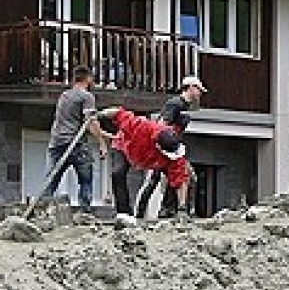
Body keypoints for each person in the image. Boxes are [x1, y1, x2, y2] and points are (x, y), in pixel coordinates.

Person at [112, 75, 205, 217]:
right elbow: (162, 124)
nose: (200, 93)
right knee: (154, 181)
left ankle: (169, 209)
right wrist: (165, 143)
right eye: (198, 90)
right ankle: (143, 213)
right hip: (161, 146)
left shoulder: (185, 107)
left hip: (170, 146)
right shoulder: (176, 104)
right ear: (191, 88)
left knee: (178, 177)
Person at [98, 107, 189, 218]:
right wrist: (100, 115)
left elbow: (181, 181)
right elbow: (118, 112)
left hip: (150, 160)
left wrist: (182, 207)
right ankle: (123, 212)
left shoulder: (175, 156)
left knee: (169, 181)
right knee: (118, 173)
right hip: (124, 147)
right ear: (157, 146)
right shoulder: (141, 126)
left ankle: (170, 210)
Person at [41, 65, 110, 213]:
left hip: (56, 143)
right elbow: (91, 122)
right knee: (86, 179)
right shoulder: (86, 96)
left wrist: (104, 134)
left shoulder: (64, 95)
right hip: (75, 144)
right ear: (88, 79)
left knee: (51, 181)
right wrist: (102, 144)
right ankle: (84, 212)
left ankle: (42, 211)